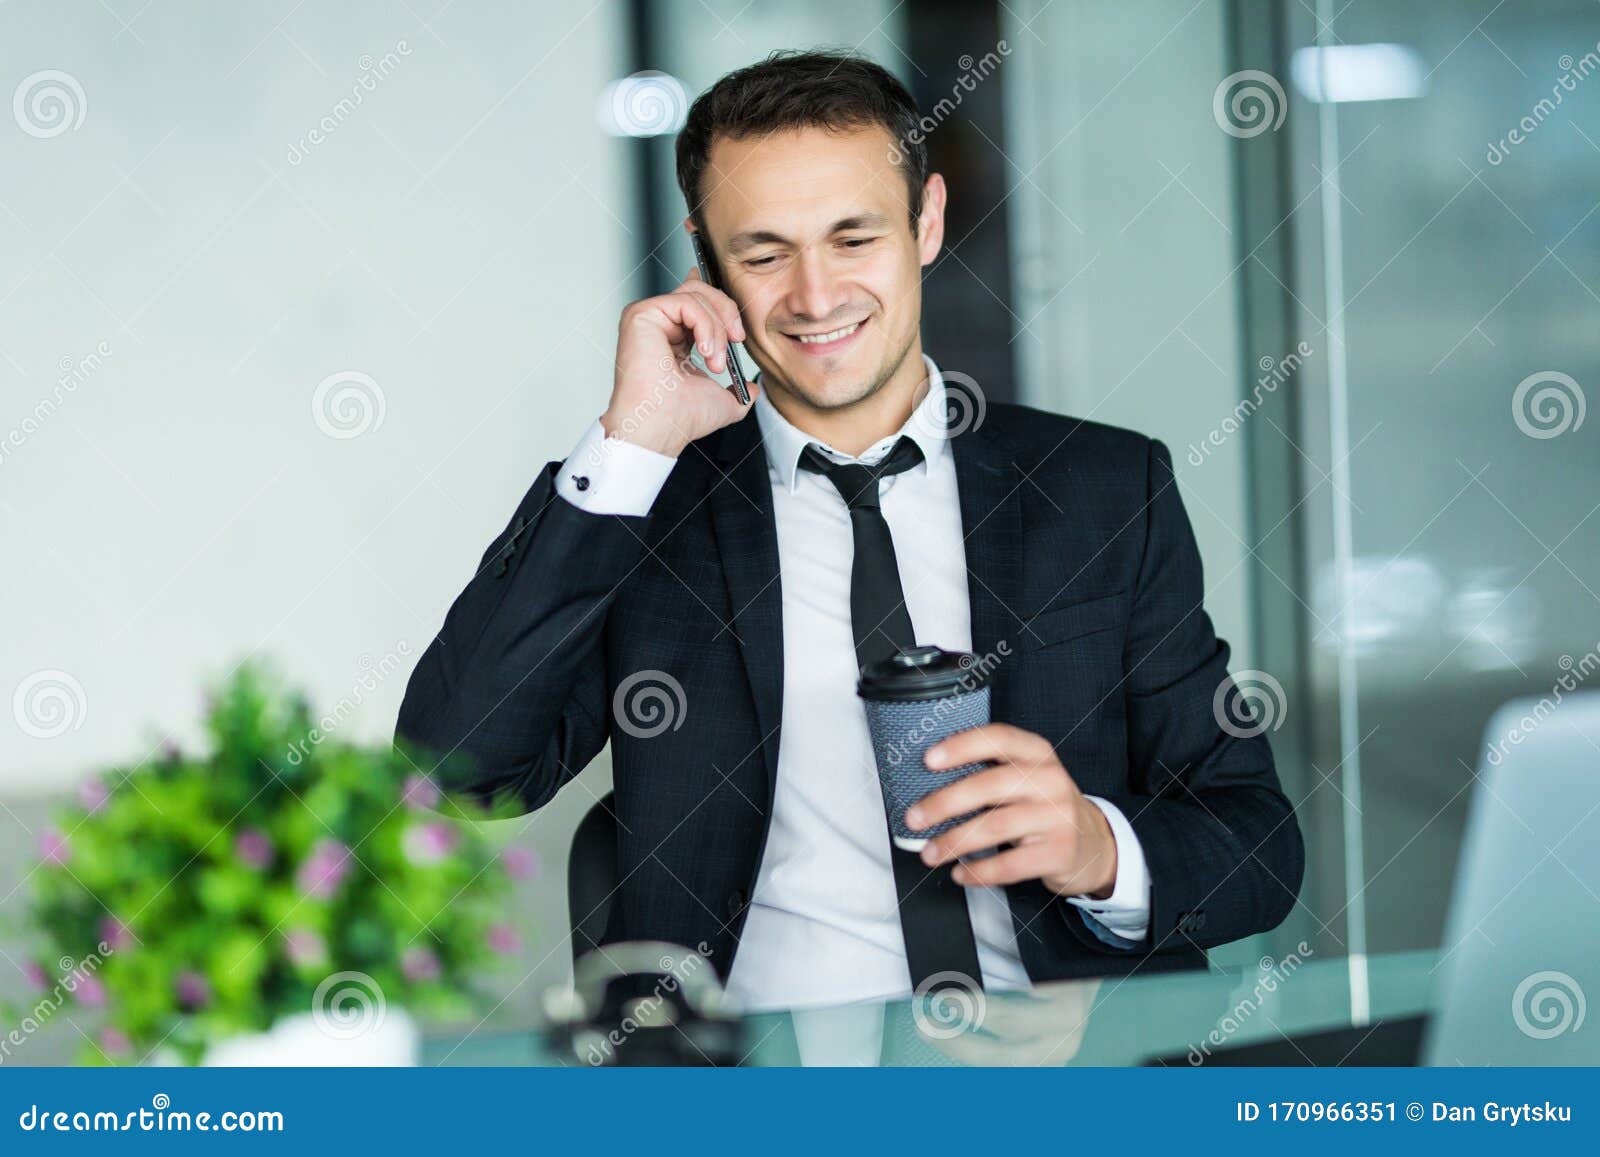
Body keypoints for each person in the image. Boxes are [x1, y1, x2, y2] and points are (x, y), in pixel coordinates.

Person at [396, 49, 1303, 1014]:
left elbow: (1255, 840)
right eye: (764, 253)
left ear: (928, 221)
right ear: (706, 261)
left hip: (1057, 1062)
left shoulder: (1106, 489)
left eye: (853, 238)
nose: (816, 297)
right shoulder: (650, 508)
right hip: (762, 1071)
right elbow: (459, 770)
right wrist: (632, 442)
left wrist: (1097, 848)